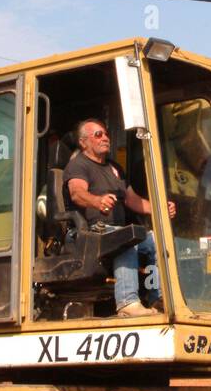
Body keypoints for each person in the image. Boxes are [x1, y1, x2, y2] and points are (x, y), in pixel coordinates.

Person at [64, 117, 175, 317]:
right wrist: (97, 201)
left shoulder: (114, 168)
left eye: (106, 133)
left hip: (113, 230)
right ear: (83, 142)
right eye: (98, 134)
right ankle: (127, 302)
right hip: (88, 231)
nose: (105, 137)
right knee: (127, 238)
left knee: (158, 241)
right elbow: (77, 193)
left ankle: (156, 298)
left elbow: (131, 199)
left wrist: (159, 209)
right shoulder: (78, 165)